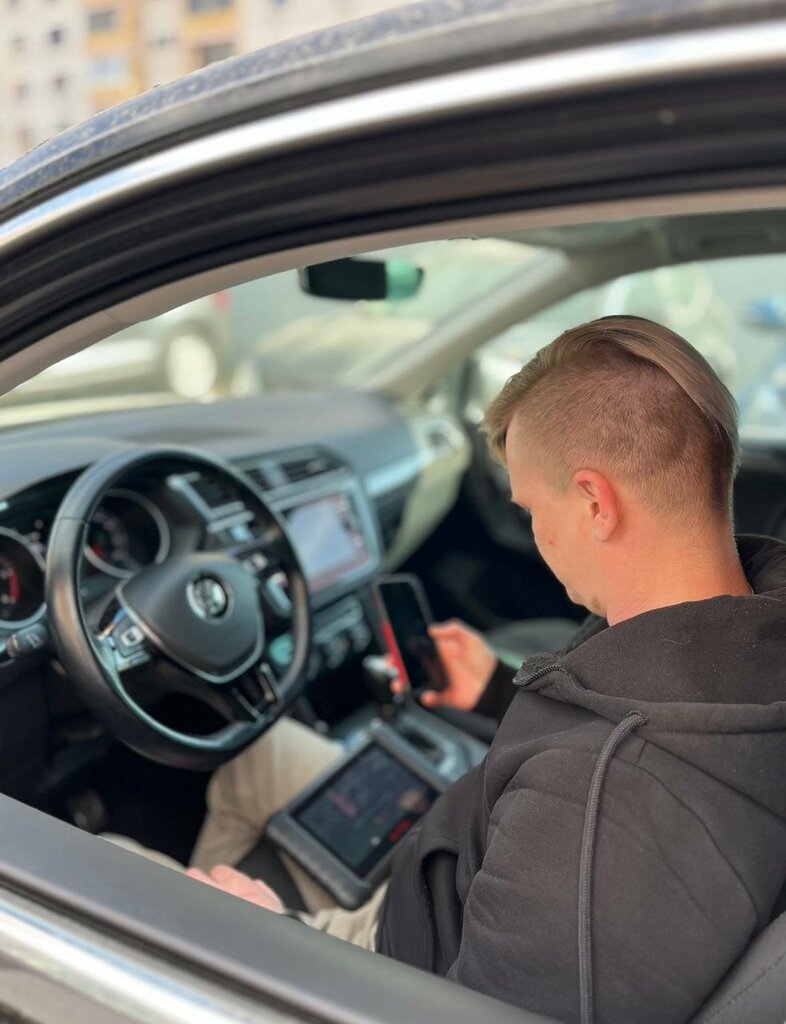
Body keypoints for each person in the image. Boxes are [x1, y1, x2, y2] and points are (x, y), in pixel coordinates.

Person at [183, 316, 786, 1023]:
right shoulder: (746, 627)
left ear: (595, 502)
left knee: (123, 878)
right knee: (256, 760)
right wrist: (498, 693)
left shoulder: (599, 807)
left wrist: (266, 938)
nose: (535, 532)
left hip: (389, 958)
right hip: (461, 854)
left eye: (531, 508)